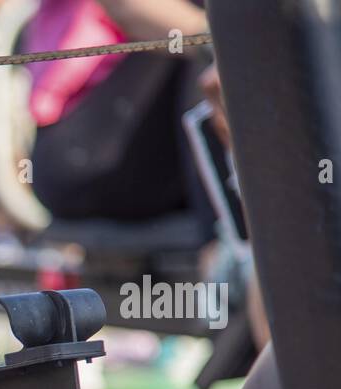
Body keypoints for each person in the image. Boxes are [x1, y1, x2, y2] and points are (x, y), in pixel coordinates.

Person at [24, 0, 212, 227]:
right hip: (87, 153)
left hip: (164, 162)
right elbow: (124, 6)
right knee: (222, 27)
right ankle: (223, 232)